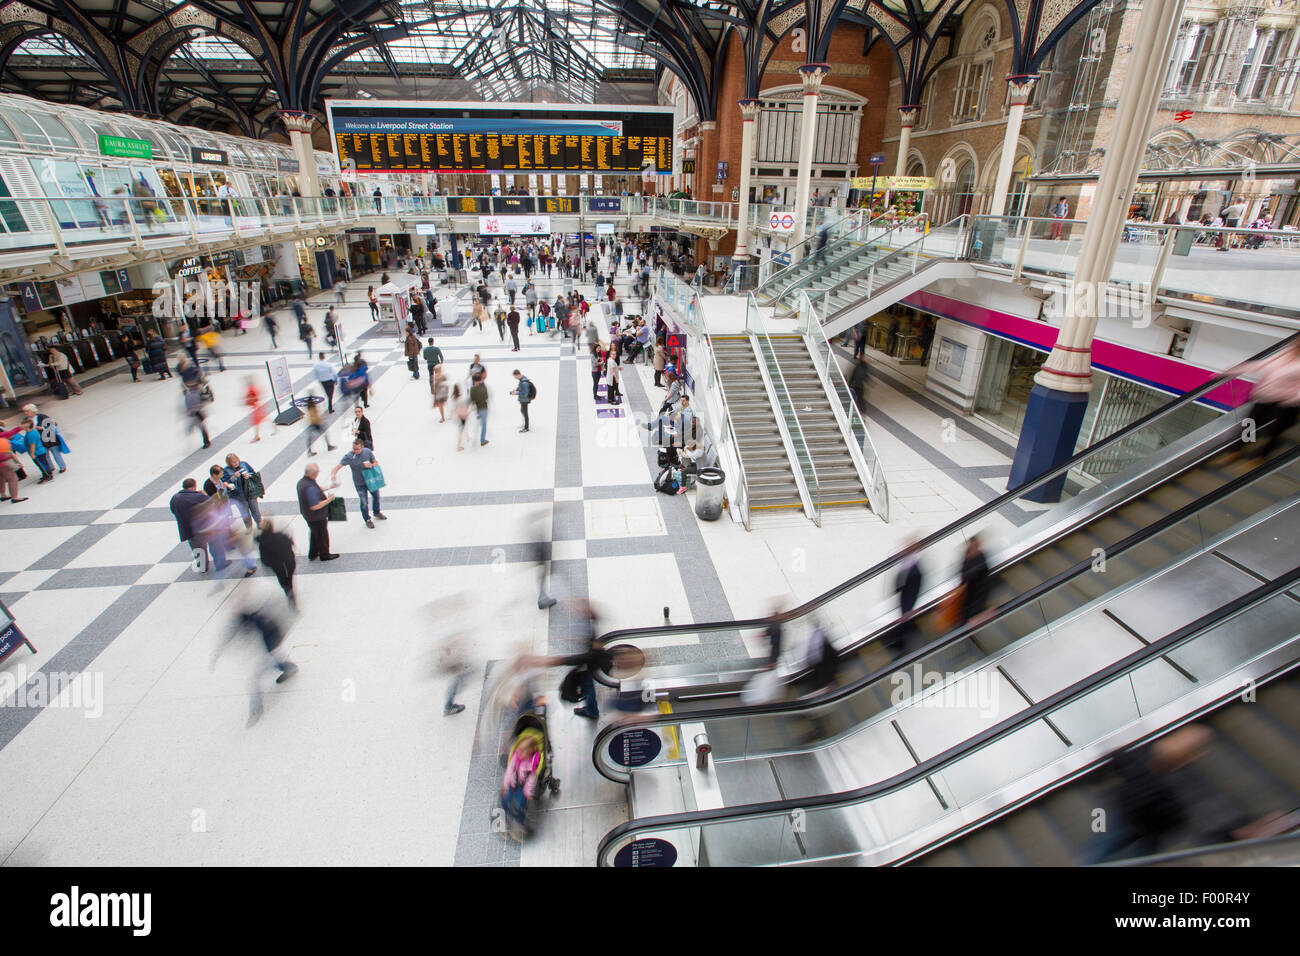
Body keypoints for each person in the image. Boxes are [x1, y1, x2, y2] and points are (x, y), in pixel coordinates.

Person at [212, 596, 299, 726]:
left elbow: (273, 628)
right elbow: (229, 633)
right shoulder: (245, 616)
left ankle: (256, 709)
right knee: (276, 661)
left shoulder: (257, 617)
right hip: (268, 649)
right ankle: (289, 667)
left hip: (269, 649)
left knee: (254, 680)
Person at [1222, 338, 1300, 463]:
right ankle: (1236, 451)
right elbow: (1261, 364)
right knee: (1250, 422)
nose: (1295, 345)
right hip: (1266, 396)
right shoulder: (1286, 353)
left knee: (1276, 430)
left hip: (1287, 402)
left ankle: (1261, 456)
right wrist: (1231, 371)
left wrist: (1293, 399)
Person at [331, 438, 386, 529]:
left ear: (362, 447)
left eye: (357, 449)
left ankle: (377, 512)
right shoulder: (349, 456)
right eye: (354, 449)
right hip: (359, 483)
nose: (355, 451)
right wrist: (333, 475)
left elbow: (375, 462)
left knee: (376, 496)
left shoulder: (367, 452)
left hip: (370, 480)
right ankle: (367, 519)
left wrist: (371, 465)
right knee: (364, 501)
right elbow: (338, 466)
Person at [884, 536, 924, 660]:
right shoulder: (907, 560)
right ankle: (898, 643)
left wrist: (909, 608)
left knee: (904, 622)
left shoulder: (915, 568)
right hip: (903, 594)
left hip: (908, 598)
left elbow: (914, 588)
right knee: (902, 621)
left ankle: (901, 648)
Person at [297, 462, 337, 561]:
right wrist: (329, 499)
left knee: (315, 534)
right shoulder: (309, 487)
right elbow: (314, 506)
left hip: (308, 515)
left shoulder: (302, 482)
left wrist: (330, 486)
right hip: (316, 516)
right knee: (321, 535)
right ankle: (324, 554)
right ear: (314, 474)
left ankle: (313, 553)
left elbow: (317, 489)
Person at [256, 519, 298, 610]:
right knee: (289, 578)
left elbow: (264, 557)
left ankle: (288, 591)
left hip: (276, 564)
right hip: (289, 561)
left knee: (282, 579)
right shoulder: (282, 536)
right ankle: (290, 591)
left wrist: (267, 564)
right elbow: (291, 544)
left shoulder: (262, 541)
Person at [169, 478, 210, 569]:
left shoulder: (175, 497)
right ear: (194, 486)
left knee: (196, 547)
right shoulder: (198, 496)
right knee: (209, 544)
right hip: (202, 526)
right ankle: (218, 562)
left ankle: (202, 565)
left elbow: (173, 509)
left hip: (186, 528)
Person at [958, 533, 992, 626]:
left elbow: (975, 577)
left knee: (968, 619)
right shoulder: (967, 558)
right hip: (967, 597)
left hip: (976, 597)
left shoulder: (979, 558)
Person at [23, 404, 68, 473]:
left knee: (55, 453)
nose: (26, 413)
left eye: (27, 411)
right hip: (39, 439)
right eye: (25, 411)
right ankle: (50, 467)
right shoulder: (26, 420)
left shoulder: (42, 416)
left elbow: (53, 424)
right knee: (45, 454)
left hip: (49, 437)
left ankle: (62, 467)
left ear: (32, 411)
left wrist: (42, 428)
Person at [223, 453, 263, 528]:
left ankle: (259, 523)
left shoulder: (244, 464)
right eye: (233, 462)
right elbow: (226, 482)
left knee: (255, 508)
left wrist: (249, 475)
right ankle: (248, 526)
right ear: (229, 463)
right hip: (238, 494)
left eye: (236, 461)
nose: (236, 463)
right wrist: (233, 477)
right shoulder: (226, 470)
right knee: (244, 511)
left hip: (250, 491)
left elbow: (253, 472)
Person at [245, 377, 268, 442]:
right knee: (262, 419)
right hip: (257, 406)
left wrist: (250, 400)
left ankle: (256, 436)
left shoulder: (251, 389)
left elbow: (256, 396)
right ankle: (274, 428)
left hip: (256, 407)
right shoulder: (251, 388)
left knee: (257, 421)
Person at [470, 372, 489, 447]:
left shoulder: (472, 389)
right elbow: (486, 397)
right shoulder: (482, 388)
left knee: (480, 420)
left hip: (477, 408)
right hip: (483, 407)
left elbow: (472, 399)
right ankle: (482, 440)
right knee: (484, 424)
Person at [452, 383, 470, 451]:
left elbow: (453, 408)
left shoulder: (454, 398)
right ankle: (458, 446)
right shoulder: (461, 398)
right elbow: (466, 405)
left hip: (457, 416)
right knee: (461, 430)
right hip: (463, 416)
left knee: (463, 427)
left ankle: (467, 436)